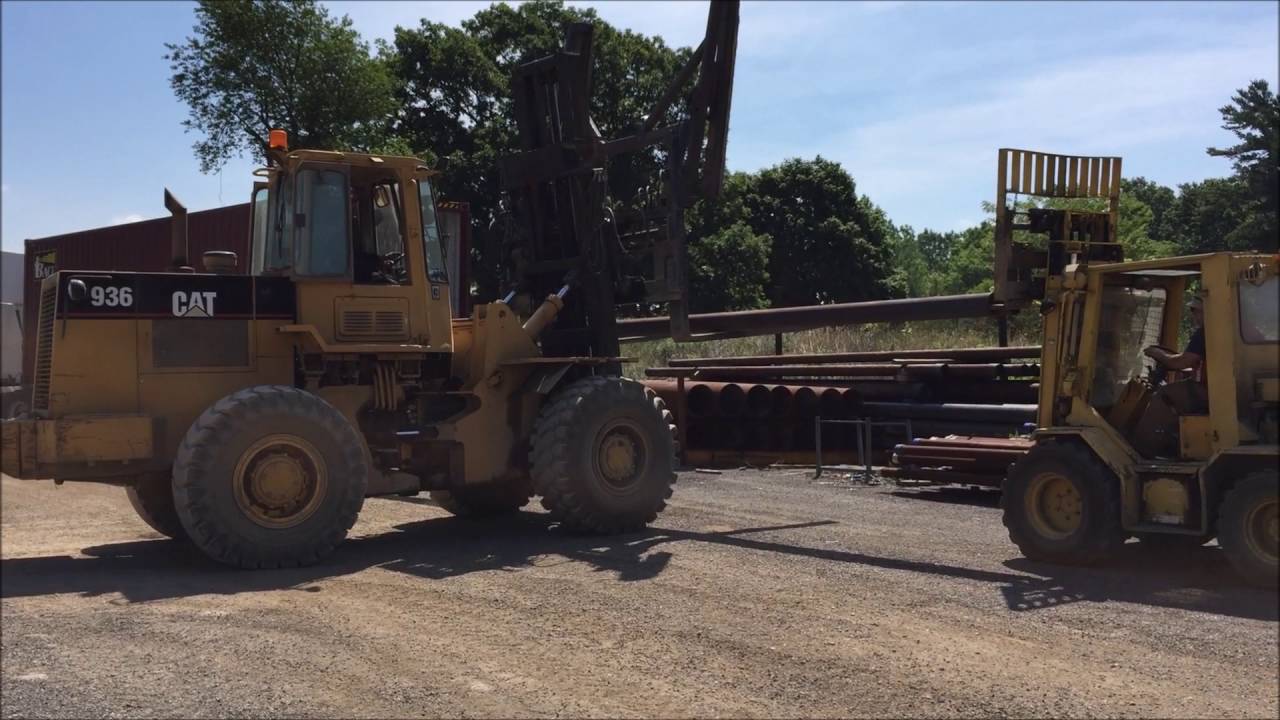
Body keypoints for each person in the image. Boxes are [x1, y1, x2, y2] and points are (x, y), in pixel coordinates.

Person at [1134, 295, 1208, 457]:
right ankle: (1173, 441)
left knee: (1163, 395)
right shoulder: (1226, 328)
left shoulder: (1205, 333)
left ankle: (1141, 450)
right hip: (1214, 389)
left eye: (1196, 312)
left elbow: (1180, 362)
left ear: (1207, 310)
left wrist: (1157, 354)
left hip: (1205, 392)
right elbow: (1193, 362)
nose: (1194, 316)